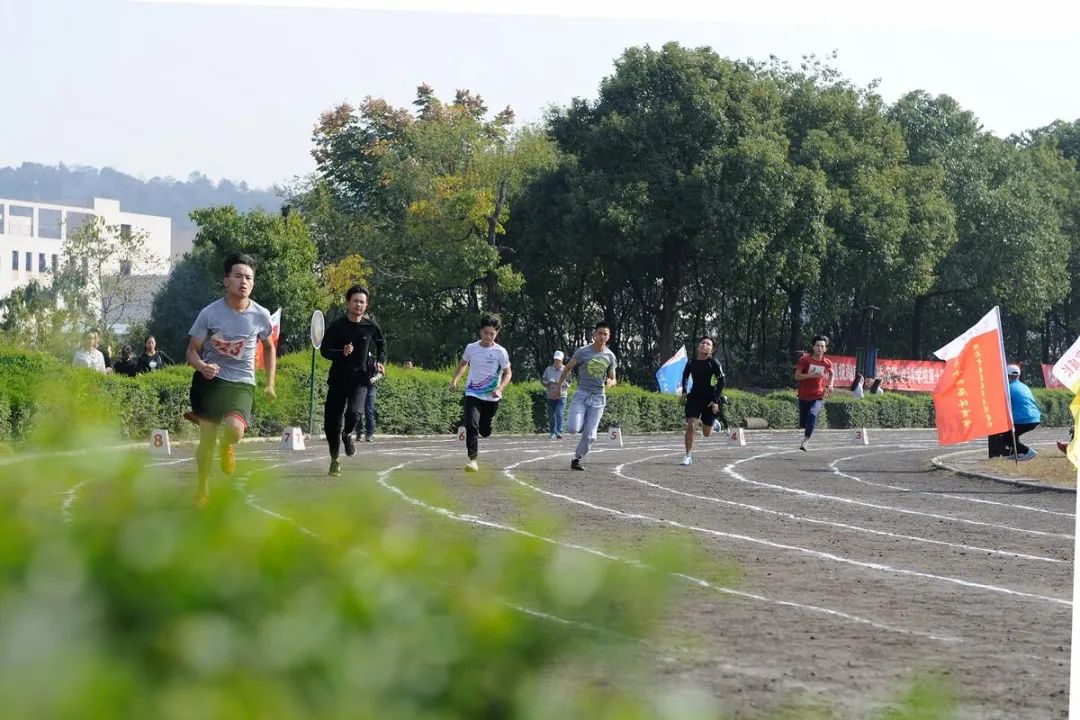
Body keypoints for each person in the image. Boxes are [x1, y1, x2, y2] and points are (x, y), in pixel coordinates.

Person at [185, 252, 277, 506]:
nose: (243, 282)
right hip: (210, 382)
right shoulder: (209, 313)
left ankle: (228, 445)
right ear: (226, 280)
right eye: (237, 276)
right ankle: (202, 489)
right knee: (206, 438)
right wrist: (202, 366)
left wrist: (270, 383)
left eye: (248, 277)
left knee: (235, 430)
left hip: (241, 383)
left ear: (253, 283)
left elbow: (269, 348)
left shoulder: (260, 315)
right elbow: (192, 350)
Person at [319, 285, 386, 476]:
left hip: (361, 379)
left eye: (362, 302)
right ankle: (335, 459)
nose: (358, 304)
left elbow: (382, 344)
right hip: (338, 379)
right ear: (348, 302)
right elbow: (325, 350)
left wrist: (381, 361)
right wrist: (342, 352)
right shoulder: (338, 325)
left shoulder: (370, 326)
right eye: (355, 301)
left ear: (366, 305)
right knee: (331, 423)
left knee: (354, 413)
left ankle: (347, 434)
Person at [450, 315, 512, 472]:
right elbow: (463, 364)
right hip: (472, 393)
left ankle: (487, 425)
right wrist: (456, 380)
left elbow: (508, 373)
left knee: (484, 430)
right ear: (480, 331)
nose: (488, 337)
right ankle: (473, 460)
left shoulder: (500, 352)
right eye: (486, 333)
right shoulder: (471, 348)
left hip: (491, 397)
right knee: (471, 425)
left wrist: (499, 389)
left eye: (492, 334)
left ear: (496, 334)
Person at [559, 322, 618, 471]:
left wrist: (611, 382)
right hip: (582, 394)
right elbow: (567, 368)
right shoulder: (583, 352)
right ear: (594, 335)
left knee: (591, 435)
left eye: (605, 334)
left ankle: (576, 458)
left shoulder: (610, 356)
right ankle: (580, 418)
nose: (602, 336)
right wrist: (559, 386)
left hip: (598, 397)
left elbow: (613, 377)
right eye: (599, 333)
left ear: (609, 336)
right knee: (573, 428)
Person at [679, 336, 725, 465]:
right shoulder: (691, 362)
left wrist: (716, 400)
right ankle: (688, 455)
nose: (704, 345)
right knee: (691, 425)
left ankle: (714, 423)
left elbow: (722, 381)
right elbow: (685, 376)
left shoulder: (714, 363)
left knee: (706, 433)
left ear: (711, 349)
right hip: (694, 397)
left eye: (708, 344)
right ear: (698, 346)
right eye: (702, 343)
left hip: (710, 399)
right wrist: (684, 391)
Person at [988, 364, 1041, 460]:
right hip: (1035, 417)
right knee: (1013, 434)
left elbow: (999, 406)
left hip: (1022, 419)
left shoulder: (1008, 388)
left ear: (1006, 376)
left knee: (1007, 437)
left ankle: (1028, 451)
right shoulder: (1024, 386)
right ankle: (1017, 453)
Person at [794, 335, 834, 451]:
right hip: (804, 394)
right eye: (817, 346)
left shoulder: (827, 363)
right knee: (803, 422)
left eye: (822, 346)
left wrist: (830, 385)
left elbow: (831, 374)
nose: (820, 348)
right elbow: (797, 376)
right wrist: (810, 375)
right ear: (813, 347)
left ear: (825, 349)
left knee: (812, 414)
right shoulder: (805, 360)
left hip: (818, 395)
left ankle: (805, 441)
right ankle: (807, 428)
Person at [542, 350, 570, 439]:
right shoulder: (548, 369)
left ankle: (559, 431)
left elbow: (569, 382)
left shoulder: (566, 370)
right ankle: (552, 432)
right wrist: (548, 383)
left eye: (559, 360)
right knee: (551, 415)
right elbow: (543, 380)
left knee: (559, 413)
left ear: (562, 360)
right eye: (555, 359)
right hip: (550, 395)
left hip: (562, 395)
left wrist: (560, 383)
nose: (557, 361)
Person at [363, 351, 380, 442]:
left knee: (369, 409)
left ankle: (369, 434)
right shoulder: (357, 355)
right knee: (356, 410)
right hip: (359, 386)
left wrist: (375, 378)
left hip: (370, 387)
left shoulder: (374, 359)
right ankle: (358, 432)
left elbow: (380, 372)